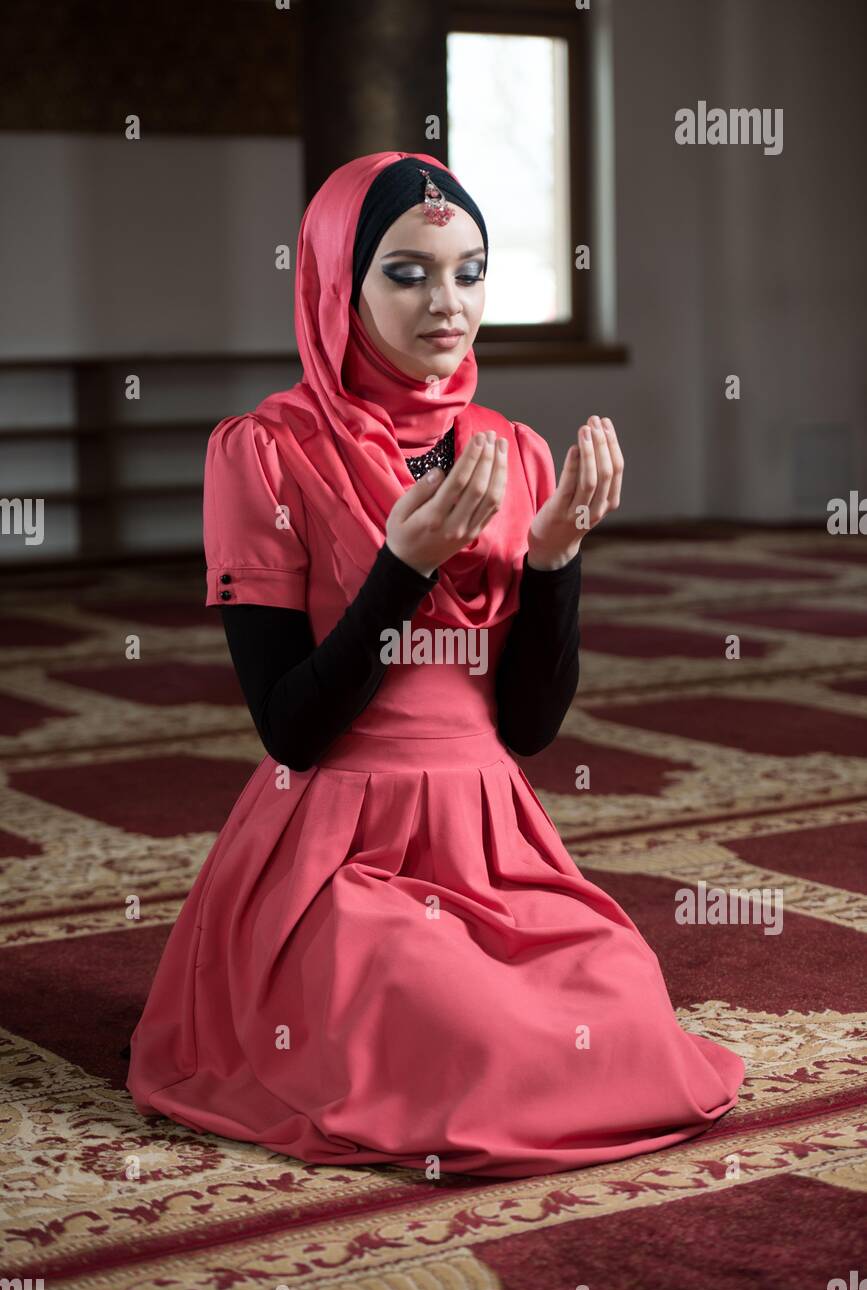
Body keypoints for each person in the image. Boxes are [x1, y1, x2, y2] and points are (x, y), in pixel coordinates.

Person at [124, 152, 745, 1179]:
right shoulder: (265, 453)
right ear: (337, 284)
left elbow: (530, 728)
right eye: (407, 273)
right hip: (338, 845)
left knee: (617, 988)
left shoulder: (511, 450)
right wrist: (400, 570)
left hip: (490, 833)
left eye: (471, 271)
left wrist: (553, 563)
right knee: (444, 1007)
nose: (447, 304)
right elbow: (292, 727)